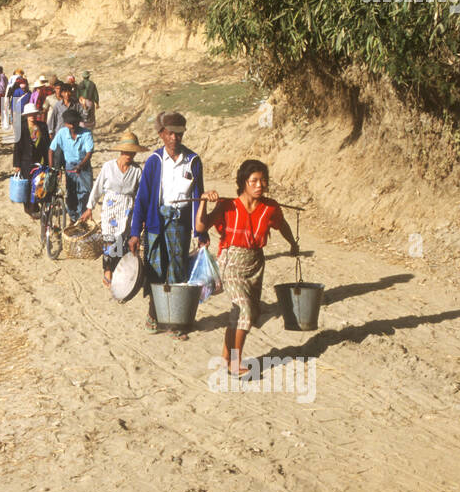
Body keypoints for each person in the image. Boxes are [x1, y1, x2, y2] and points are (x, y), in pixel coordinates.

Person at [197, 160, 299, 375]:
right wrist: (203, 202)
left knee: (240, 314)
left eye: (263, 181)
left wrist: (293, 243)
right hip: (231, 261)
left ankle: (225, 358)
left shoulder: (270, 207)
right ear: (243, 183)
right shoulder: (228, 206)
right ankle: (235, 363)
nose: (259, 185)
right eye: (254, 181)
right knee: (245, 309)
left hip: (255, 264)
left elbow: (282, 225)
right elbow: (201, 226)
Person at [127, 112, 207, 339]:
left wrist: (201, 231)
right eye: (170, 133)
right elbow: (142, 199)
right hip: (155, 223)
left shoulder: (192, 161)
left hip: (179, 226)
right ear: (162, 134)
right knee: (155, 270)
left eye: (179, 133)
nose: (174, 138)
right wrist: (135, 232)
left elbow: (199, 198)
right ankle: (154, 314)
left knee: (177, 270)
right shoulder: (154, 161)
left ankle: (175, 322)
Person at [81, 132, 148, 288]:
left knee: (122, 241)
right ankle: (108, 269)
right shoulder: (108, 167)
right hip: (110, 207)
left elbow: (140, 195)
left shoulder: (137, 171)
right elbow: (97, 188)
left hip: (127, 209)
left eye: (132, 153)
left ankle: (119, 269)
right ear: (121, 152)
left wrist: (141, 215)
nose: (129, 156)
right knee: (109, 240)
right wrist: (89, 207)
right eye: (127, 152)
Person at [52, 108, 94, 223]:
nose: (72, 126)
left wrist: (81, 165)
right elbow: (51, 149)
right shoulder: (62, 133)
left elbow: (89, 152)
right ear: (66, 124)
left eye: (75, 123)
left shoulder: (86, 133)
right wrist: (52, 168)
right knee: (71, 194)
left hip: (84, 166)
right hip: (70, 166)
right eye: (70, 124)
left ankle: (82, 219)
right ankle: (73, 217)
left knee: (85, 193)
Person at [12, 102, 49, 217]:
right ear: (26, 116)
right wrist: (17, 164)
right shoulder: (21, 127)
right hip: (25, 161)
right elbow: (17, 146)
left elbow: (47, 144)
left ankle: (34, 206)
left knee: (38, 183)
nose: (32, 116)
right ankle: (28, 207)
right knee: (27, 184)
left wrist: (48, 160)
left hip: (39, 160)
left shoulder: (42, 126)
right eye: (30, 114)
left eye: (33, 114)